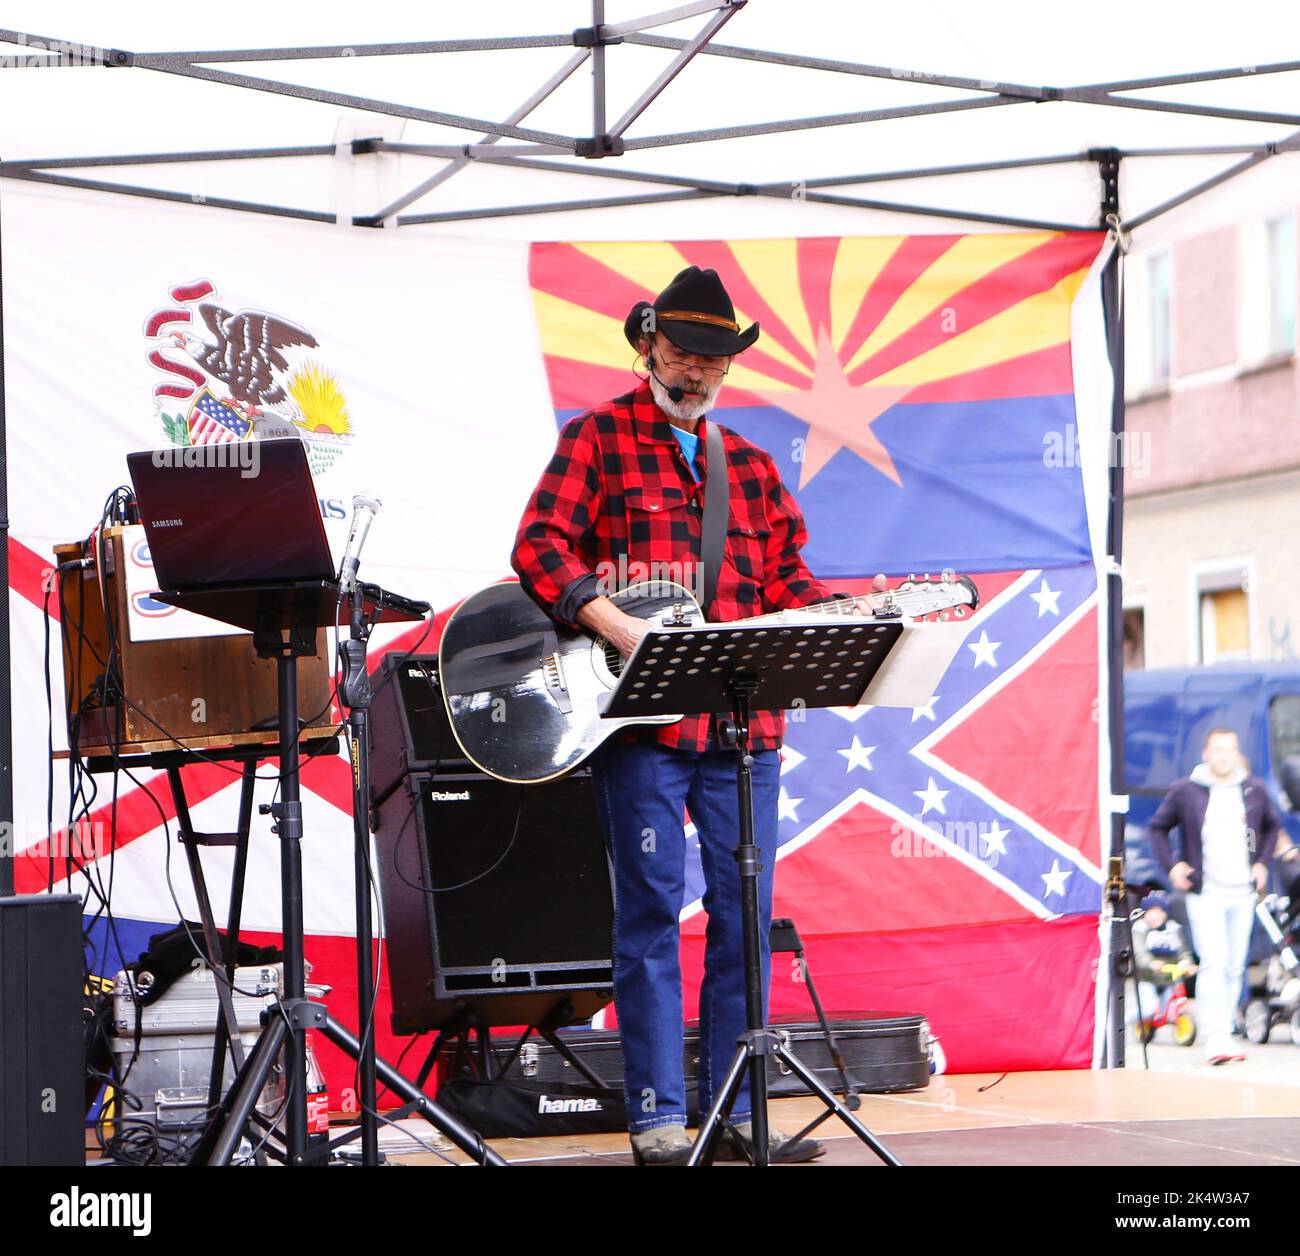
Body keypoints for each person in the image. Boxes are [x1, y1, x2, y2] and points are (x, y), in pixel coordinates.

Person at [511, 266, 857, 1165]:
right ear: (647, 346)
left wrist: (844, 615)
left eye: (714, 360)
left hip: (746, 732)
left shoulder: (750, 466)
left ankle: (741, 1116)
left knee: (747, 914)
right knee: (652, 915)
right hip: (642, 728)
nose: (698, 372)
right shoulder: (594, 438)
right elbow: (537, 546)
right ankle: (661, 1118)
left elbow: (789, 583)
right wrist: (612, 621)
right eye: (682, 353)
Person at [1147, 727, 1281, 1063]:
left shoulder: (1252, 789)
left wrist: (1262, 863)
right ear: (1206, 753)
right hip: (1205, 892)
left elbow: (1272, 827)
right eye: (1219, 750)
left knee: (1235, 965)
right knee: (1214, 962)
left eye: (1231, 749)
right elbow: (1157, 828)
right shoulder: (1186, 791)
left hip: (1242, 892)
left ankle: (1226, 1032)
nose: (1225, 756)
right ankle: (1214, 1036)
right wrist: (1174, 866)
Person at [1128, 891, 1195, 1037]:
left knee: (1170, 1007)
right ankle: (1128, 1019)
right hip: (1148, 978)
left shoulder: (1173, 930)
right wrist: (1150, 962)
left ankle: (1176, 1021)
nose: (1155, 916)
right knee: (1148, 1010)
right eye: (1151, 912)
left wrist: (1188, 964)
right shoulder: (1140, 930)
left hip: (1169, 978)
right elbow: (1139, 952)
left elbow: (1182, 951)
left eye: (1159, 912)